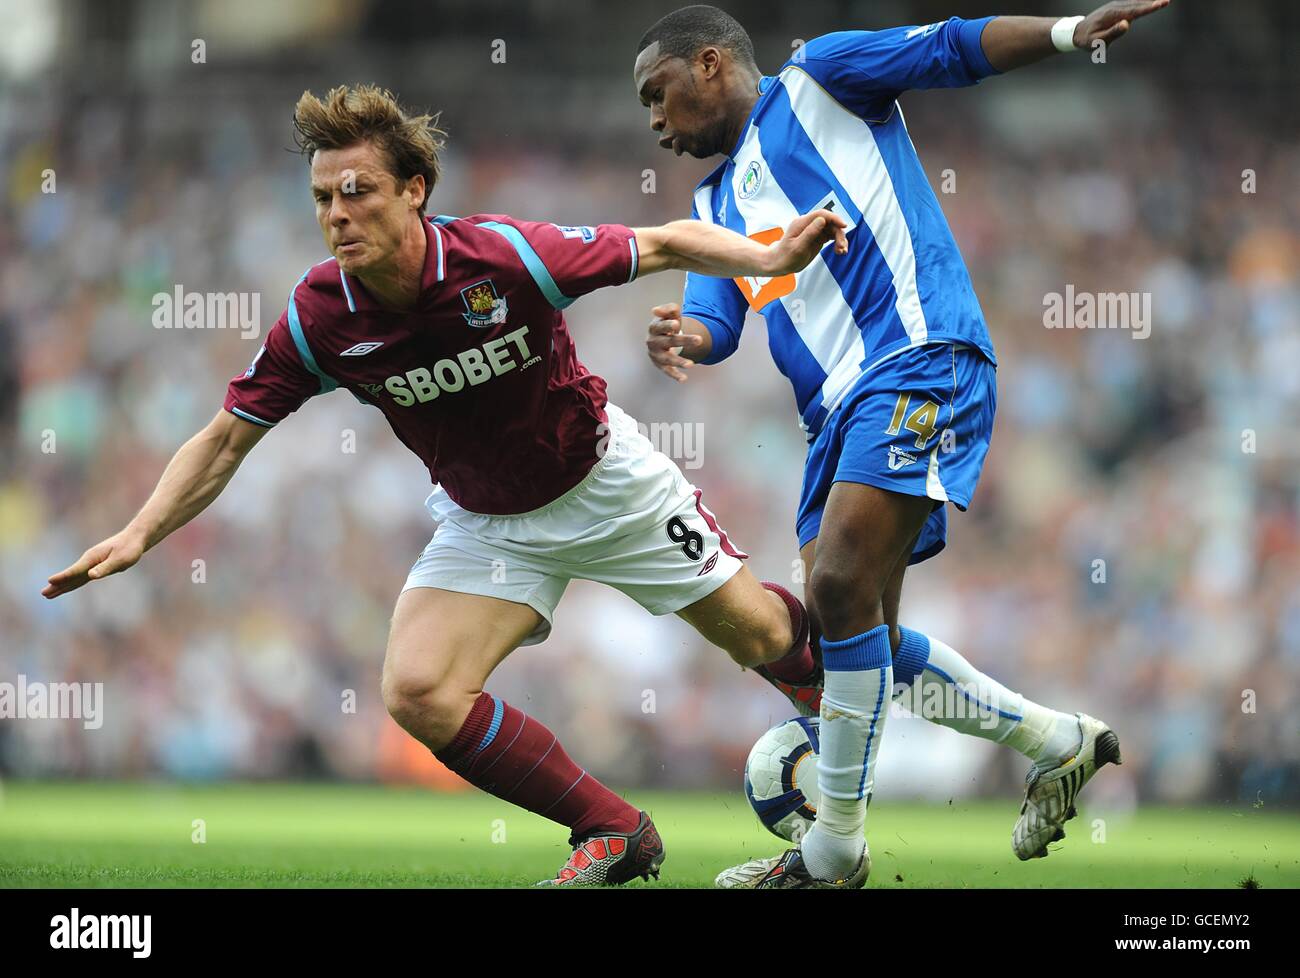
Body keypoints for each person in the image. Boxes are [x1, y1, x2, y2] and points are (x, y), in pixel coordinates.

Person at [41, 83, 848, 887]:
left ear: (414, 190)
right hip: (486, 522)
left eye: (357, 191)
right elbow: (224, 439)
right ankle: (613, 831)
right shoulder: (323, 316)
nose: (337, 214)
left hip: (606, 485)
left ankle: (850, 691)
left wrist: (770, 258)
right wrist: (141, 531)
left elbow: (664, 242)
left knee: (765, 640)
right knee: (419, 690)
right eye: (323, 197)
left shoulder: (504, 256)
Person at [631, 2, 1168, 887]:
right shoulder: (709, 203)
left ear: (713, 64)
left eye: (659, 94)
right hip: (832, 419)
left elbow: (952, 47)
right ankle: (1058, 741)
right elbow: (715, 317)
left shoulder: (823, 78)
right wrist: (685, 339)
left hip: (918, 355)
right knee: (862, 632)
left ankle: (832, 854)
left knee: (836, 584)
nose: (655, 122)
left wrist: (1070, 32)